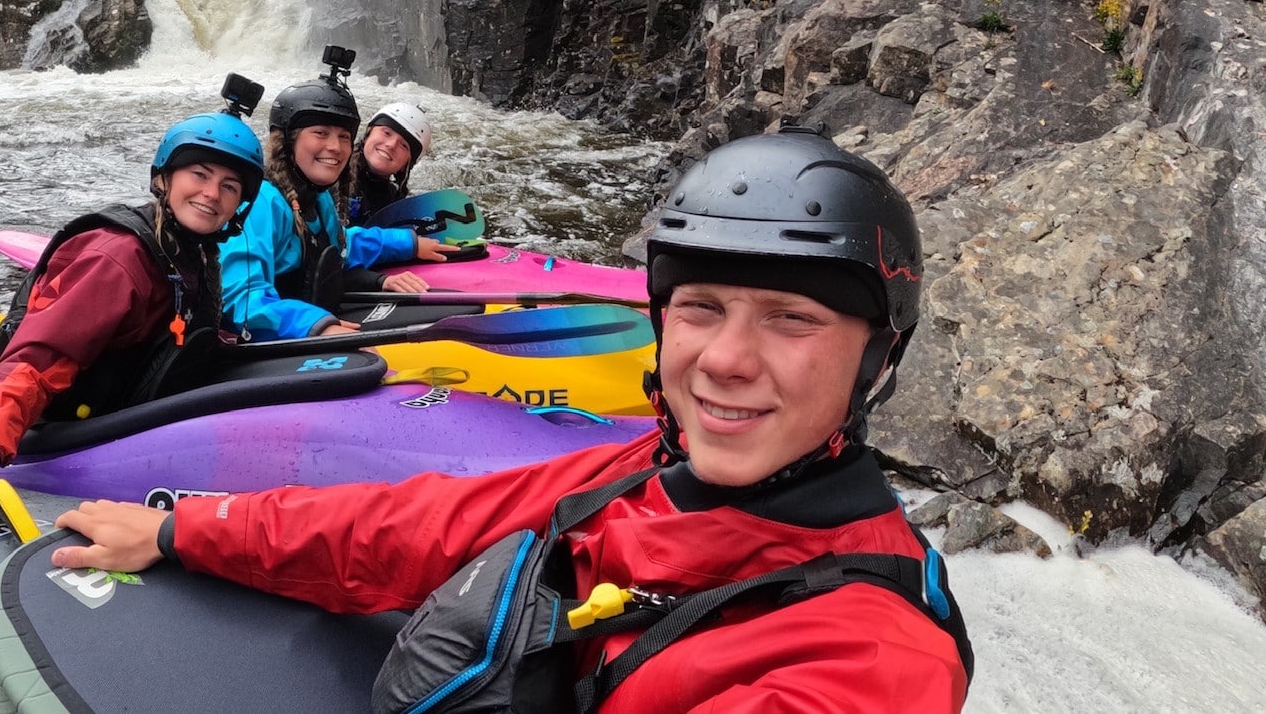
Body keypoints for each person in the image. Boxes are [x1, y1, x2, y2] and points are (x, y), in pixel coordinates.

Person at [51, 129, 973, 711]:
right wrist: (187, 528)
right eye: (699, 308)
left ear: (877, 357)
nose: (725, 359)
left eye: (791, 317)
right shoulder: (639, 472)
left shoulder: (869, 661)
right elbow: (421, 525)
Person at [0, 105, 265, 525]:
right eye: (199, 175)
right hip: (70, 423)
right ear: (164, 178)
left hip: (132, 411)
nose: (212, 194)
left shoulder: (193, 251)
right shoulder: (118, 259)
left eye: (229, 186)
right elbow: (37, 363)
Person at [220, 63, 456, 340]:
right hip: (259, 348)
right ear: (287, 141)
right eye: (321, 133)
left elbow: (341, 245)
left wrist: (408, 243)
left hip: (305, 326)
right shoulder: (261, 204)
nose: (335, 147)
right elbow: (241, 299)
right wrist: (316, 325)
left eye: (344, 136)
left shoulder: (317, 197)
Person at [348, 101, 431, 224]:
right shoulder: (332, 176)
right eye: (386, 133)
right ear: (368, 135)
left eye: (403, 145)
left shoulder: (396, 203)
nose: (391, 145)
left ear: (405, 166)